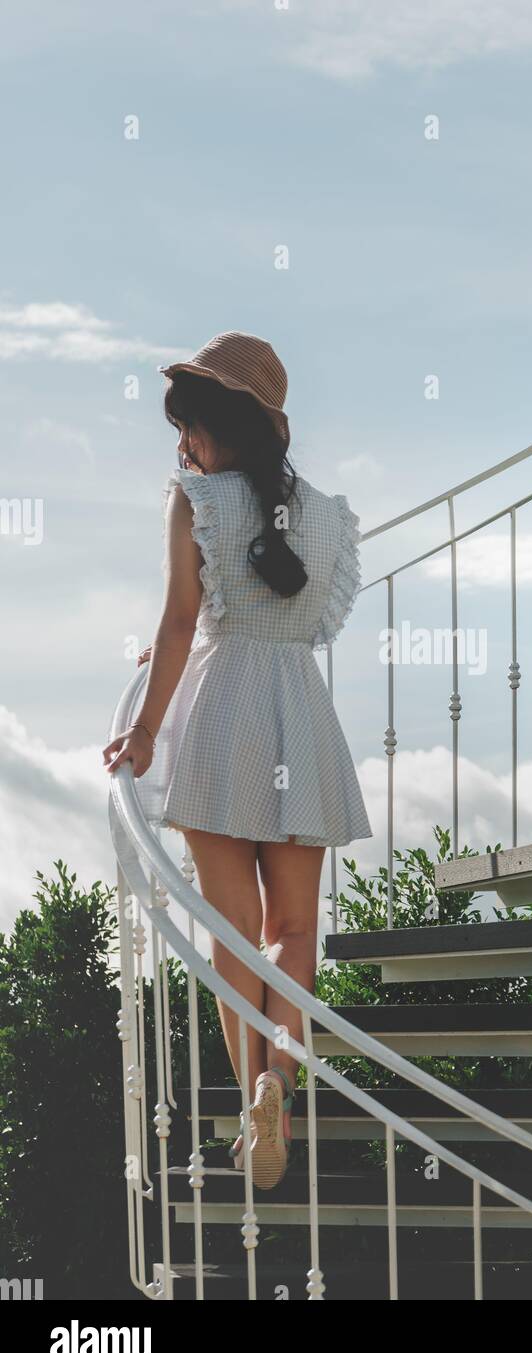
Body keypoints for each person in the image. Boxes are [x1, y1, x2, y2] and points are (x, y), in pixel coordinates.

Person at [103, 331, 372, 1189]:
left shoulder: (194, 501)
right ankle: (278, 1087)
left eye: (190, 425)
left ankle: (248, 1080)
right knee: (293, 931)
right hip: (300, 715)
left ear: (222, 426)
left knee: (230, 935)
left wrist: (145, 730)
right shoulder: (329, 515)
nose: (182, 445)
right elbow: (301, 622)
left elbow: (182, 623)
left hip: (221, 721)